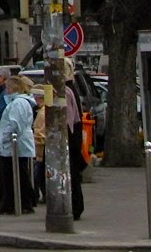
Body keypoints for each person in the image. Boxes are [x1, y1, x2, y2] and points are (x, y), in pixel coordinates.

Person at [0, 74, 37, 213]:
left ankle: (20, 204)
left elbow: (14, 124)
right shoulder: (20, 102)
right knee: (18, 175)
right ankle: (19, 203)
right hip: (16, 144)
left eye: (7, 88)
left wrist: (4, 138)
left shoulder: (18, 103)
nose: (6, 91)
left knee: (14, 176)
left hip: (14, 146)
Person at [64, 61, 85, 220]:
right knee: (73, 173)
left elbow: (69, 120)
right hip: (73, 137)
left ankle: (74, 206)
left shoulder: (65, 91)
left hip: (70, 138)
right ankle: (75, 206)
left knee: (70, 173)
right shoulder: (72, 88)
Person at [31, 85, 47, 204]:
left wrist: (33, 136)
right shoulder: (42, 111)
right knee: (39, 174)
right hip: (40, 149)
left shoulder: (42, 113)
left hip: (40, 149)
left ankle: (40, 195)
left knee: (38, 175)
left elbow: (41, 133)